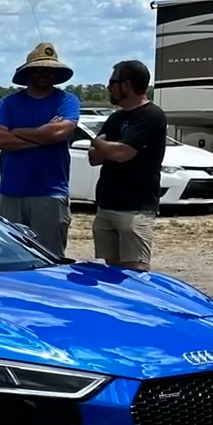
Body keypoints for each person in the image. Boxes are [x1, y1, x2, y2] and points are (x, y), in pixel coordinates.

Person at [0, 42, 80, 255]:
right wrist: (42, 136)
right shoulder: (9, 103)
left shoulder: (67, 101)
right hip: (10, 192)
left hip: (50, 194)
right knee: (9, 256)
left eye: (50, 70)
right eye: (39, 69)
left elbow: (59, 133)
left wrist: (16, 131)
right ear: (28, 73)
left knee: (49, 257)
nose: (45, 73)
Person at [88, 59, 169, 270]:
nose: (109, 87)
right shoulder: (115, 118)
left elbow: (122, 153)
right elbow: (94, 157)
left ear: (127, 85)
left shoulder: (151, 115)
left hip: (135, 209)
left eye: (112, 82)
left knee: (135, 271)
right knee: (111, 272)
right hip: (107, 205)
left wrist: (100, 143)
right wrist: (107, 148)